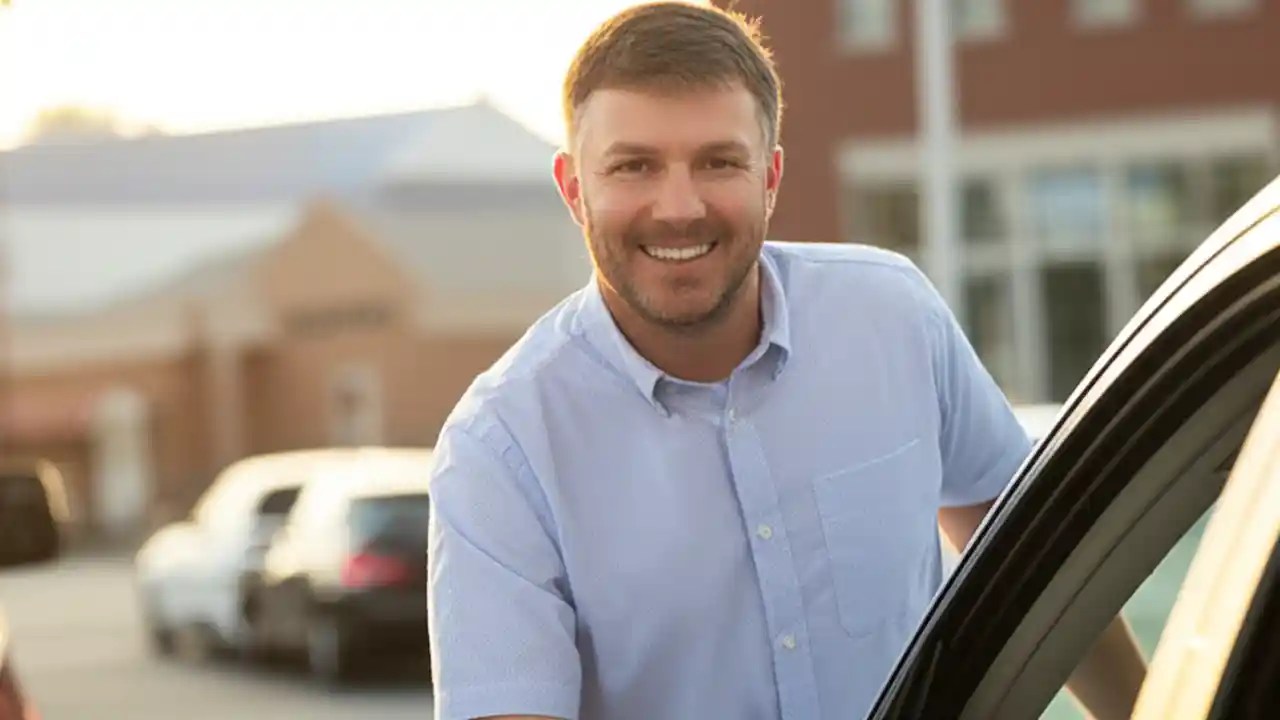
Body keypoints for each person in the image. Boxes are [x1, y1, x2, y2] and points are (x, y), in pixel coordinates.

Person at [426, 3, 1148, 719]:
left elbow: (1042, 565)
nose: (679, 207)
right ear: (574, 189)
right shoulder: (502, 450)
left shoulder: (894, 319)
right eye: (634, 166)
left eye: (718, 162)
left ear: (770, 177)